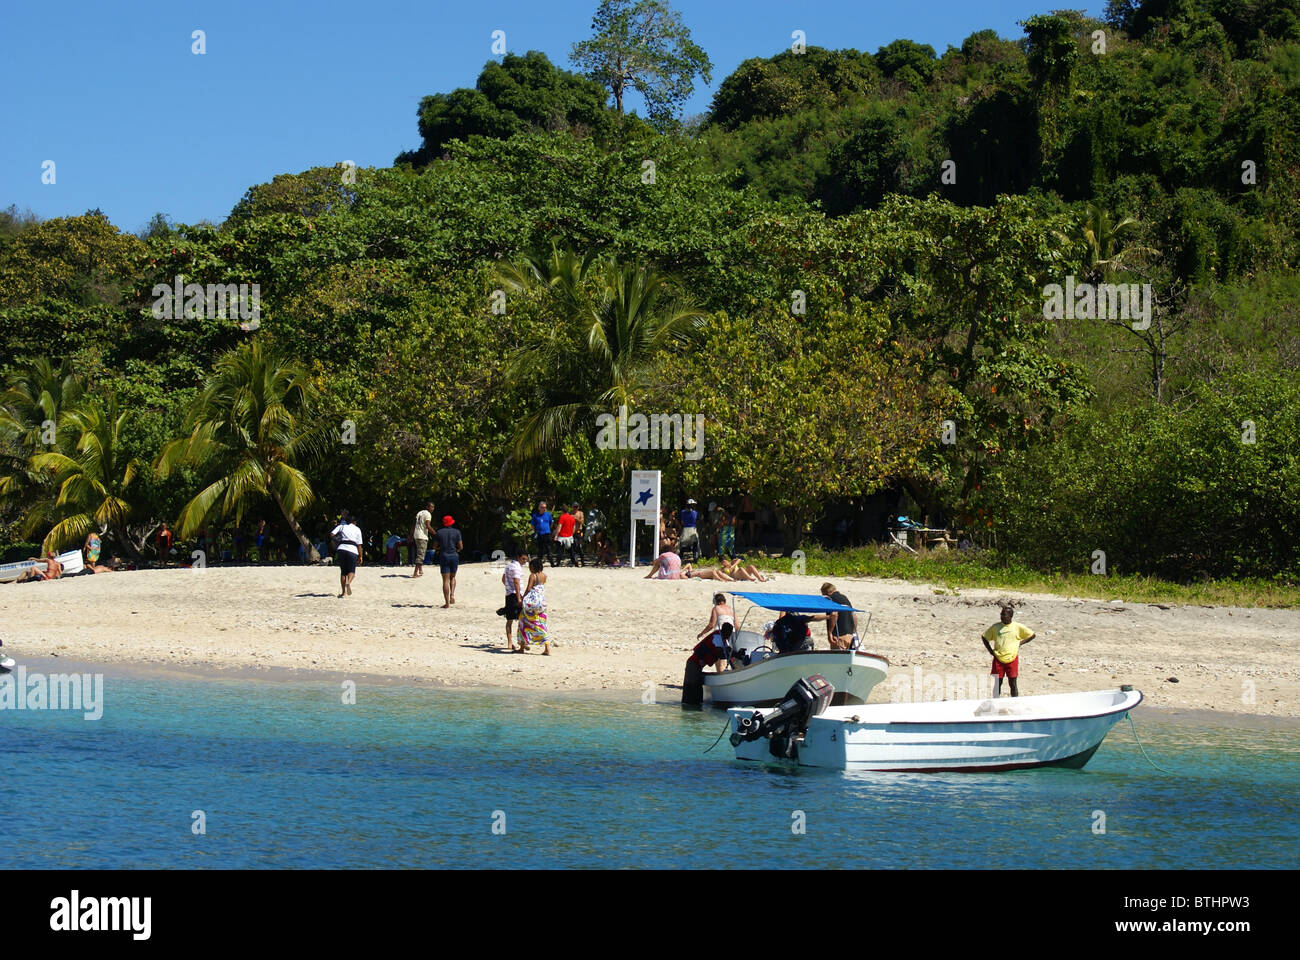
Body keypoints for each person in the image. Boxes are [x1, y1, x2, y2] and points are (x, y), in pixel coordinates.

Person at [982, 604, 1036, 697]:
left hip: (1012, 658)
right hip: (998, 658)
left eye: (1004, 615)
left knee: (1013, 683)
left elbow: (1032, 635)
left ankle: (1014, 702)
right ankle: (995, 703)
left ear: (1010, 616)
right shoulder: (995, 627)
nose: (1002, 617)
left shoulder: (1017, 627)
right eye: (1001, 614)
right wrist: (990, 651)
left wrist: (1020, 643)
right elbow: (984, 637)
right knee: (997, 683)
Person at [682, 622, 733, 705]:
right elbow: (720, 653)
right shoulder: (717, 637)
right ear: (725, 631)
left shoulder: (723, 640)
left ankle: (694, 707)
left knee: (696, 690)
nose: (730, 635)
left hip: (696, 665)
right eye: (729, 633)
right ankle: (691, 708)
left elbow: (726, 652)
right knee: (692, 690)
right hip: (693, 664)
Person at [518, 558, 550, 654]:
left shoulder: (533, 576)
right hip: (541, 604)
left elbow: (528, 588)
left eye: (530, 567)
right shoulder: (544, 576)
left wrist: (522, 598)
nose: (529, 569)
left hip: (531, 604)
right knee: (541, 624)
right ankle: (547, 648)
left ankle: (522, 647)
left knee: (523, 622)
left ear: (534, 567)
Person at [814, 582, 859, 650]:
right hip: (849, 636)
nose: (823, 597)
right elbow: (853, 615)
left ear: (827, 592)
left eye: (823, 594)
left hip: (838, 636)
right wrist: (853, 632)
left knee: (837, 658)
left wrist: (830, 633)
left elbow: (834, 615)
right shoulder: (844, 598)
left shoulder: (830, 599)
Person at [499, 549, 529, 651]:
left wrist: (508, 587)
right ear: (518, 557)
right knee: (521, 619)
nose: (525, 561)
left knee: (509, 620)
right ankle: (521, 642)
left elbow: (503, 579)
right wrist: (519, 597)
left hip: (508, 594)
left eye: (526, 559)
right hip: (516, 595)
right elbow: (516, 582)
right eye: (523, 559)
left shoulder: (509, 566)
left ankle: (510, 642)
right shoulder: (517, 567)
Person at [330, 511, 363, 597]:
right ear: (354, 522)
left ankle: (343, 592)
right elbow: (359, 545)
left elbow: (332, 534)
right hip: (352, 549)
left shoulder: (342, 526)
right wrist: (360, 556)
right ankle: (348, 583)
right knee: (351, 571)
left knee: (343, 572)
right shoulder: (357, 529)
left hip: (341, 548)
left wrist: (337, 540)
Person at [435, 516, 462, 608]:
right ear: (452, 523)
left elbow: (435, 546)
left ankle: (447, 603)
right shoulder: (457, 532)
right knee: (453, 577)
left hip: (444, 555)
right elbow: (461, 546)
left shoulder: (439, 532)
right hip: (454, 555)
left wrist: (438, 549)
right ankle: (452, 595)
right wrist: (456, 551)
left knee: (445, 581)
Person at [411, 502, 434, 578]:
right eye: (431, 507)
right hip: (422, 536)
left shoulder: (420, 513)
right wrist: (435, 533)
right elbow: (428, 526)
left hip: (416, 535)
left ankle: (420, 569)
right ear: (427, 507)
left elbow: (414, 524)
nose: (432, 509)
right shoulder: (428, 514)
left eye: (433, 507)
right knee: (421, 555)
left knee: (419, 552)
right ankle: (415, 573)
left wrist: (410, 535)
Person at [531, 501, 556, 567]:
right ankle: (539, 564)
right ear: (539, 508)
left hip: (547, 533)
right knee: (540, 549)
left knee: (548, 548)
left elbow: (551, 523)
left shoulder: (548, 515)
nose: (544, 509)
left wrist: (547, 529)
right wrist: (536, 531)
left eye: (545, 507)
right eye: (542, 507)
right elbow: (532, 525)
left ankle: (552, 563)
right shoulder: (535, 516)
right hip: (539, 534)